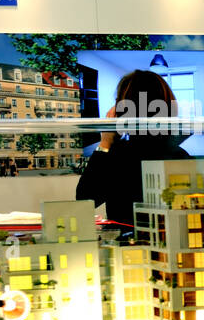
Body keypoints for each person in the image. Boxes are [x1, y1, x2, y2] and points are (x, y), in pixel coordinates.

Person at [76, 69, 190, 229]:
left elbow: (84, 200)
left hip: (125, 248)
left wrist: (105, 142)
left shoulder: (117, 155)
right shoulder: (179, 155)